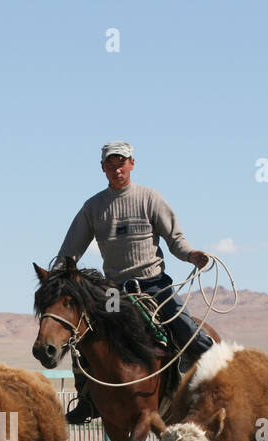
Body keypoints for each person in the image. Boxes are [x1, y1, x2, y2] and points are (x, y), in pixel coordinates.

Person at [55, 141, 215, 424]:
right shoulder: (93, 208)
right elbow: (70, 251)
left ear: (132, 163)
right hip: (115, 291)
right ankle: (87, 401)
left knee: (186, 329)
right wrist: (56, 274)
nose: (117, 169)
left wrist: (192, 255)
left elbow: (175, 239)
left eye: (122, 163)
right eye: (111, 164)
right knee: (87, 337)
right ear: (103, 168)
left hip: (154, 285)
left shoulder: (149, 198)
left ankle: (222, 377)